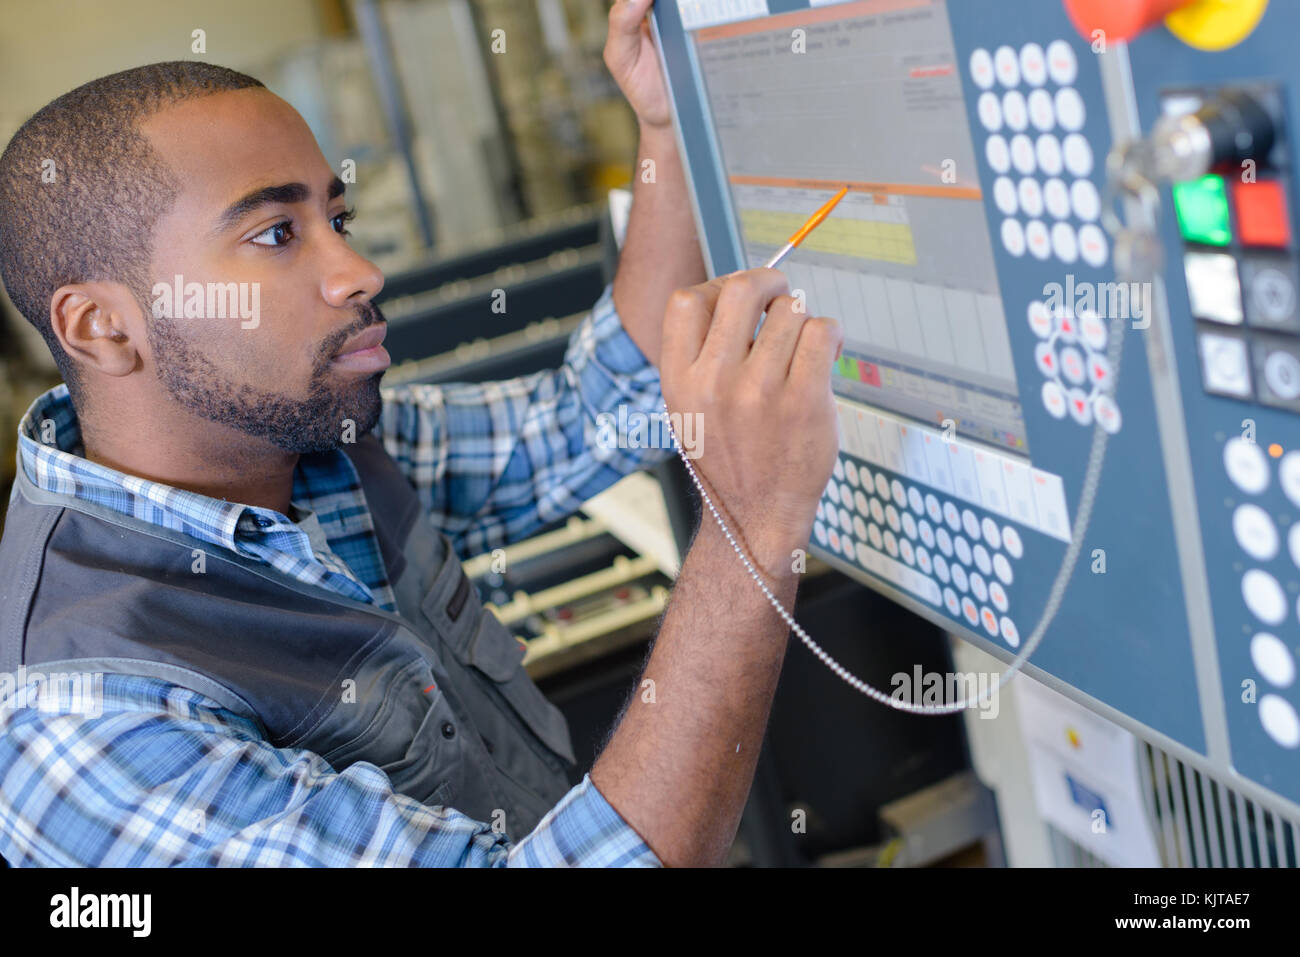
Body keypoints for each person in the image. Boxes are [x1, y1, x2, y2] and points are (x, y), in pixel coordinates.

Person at [0, 0, 841, 866]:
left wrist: (663, 131)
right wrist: (750, 525)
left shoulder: (308, 451)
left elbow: (587, 420)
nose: (360, 272)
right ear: (102, 326)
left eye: (339, 219)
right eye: (276, 233)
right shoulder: (91, 727)